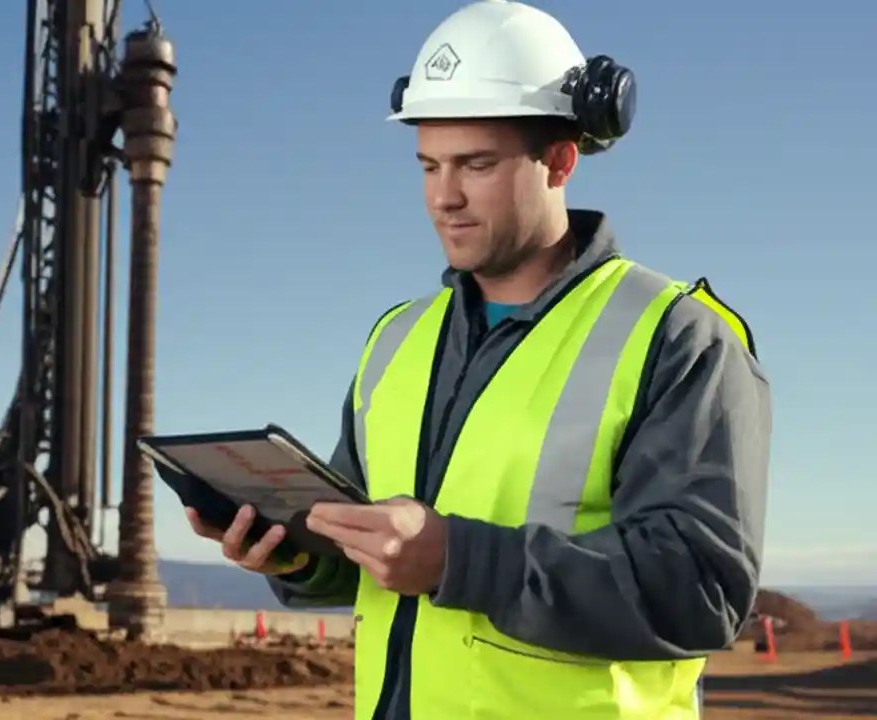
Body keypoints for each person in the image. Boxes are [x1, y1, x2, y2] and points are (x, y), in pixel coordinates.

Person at [178, 1, 771, 717]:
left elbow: (702, 592)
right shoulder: (397, 339)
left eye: (476, 165)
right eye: (428, 165)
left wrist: (457, 560)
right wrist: (293, 551)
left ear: (560, 160)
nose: (443, 197)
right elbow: (374, 553)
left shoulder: (675, 337)